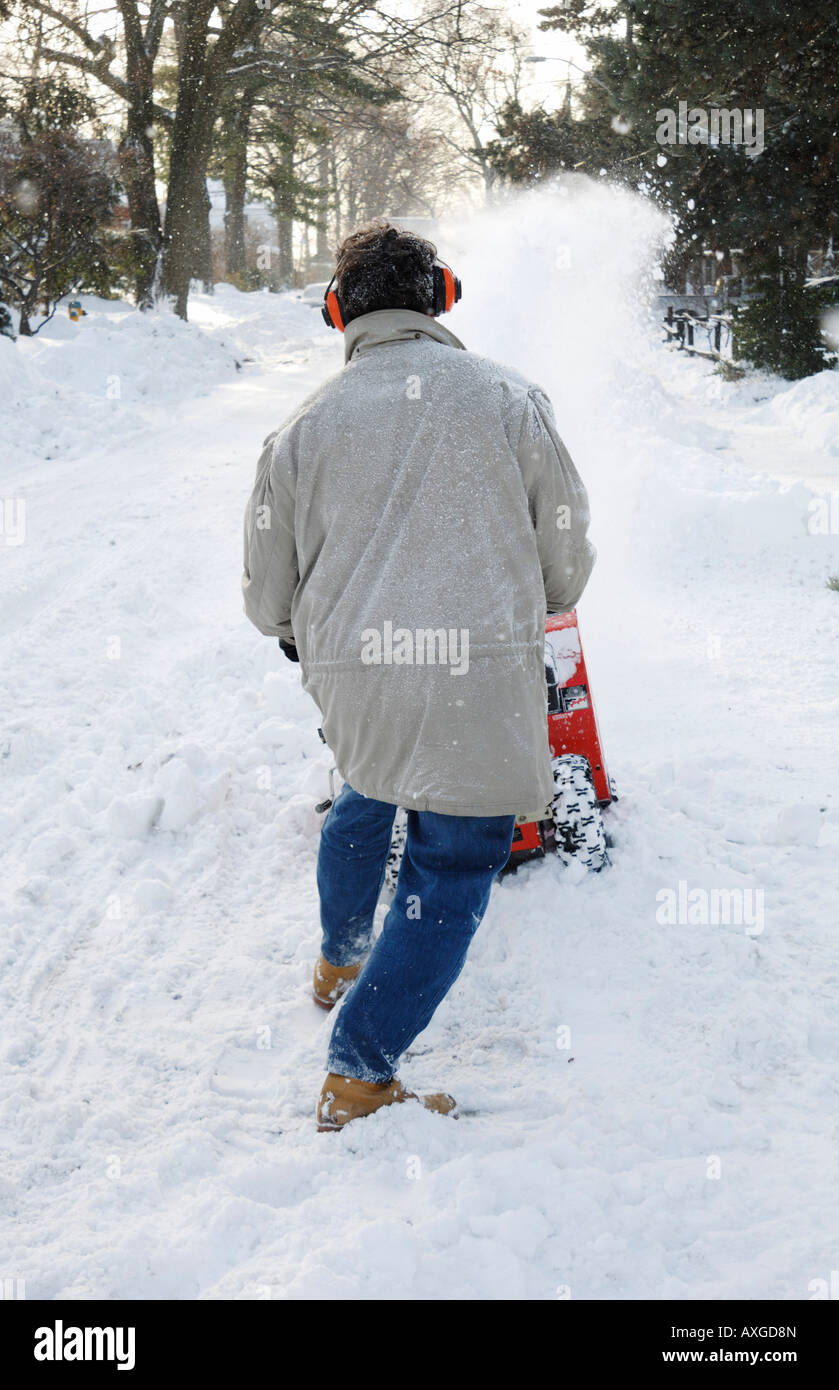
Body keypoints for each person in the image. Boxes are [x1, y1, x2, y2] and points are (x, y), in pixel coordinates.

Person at [242, 221, 595, 1131]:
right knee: (450, 865)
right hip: (478, 675)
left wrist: (307, 641)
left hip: (355, 675)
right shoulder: (510, 400)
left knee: (365, 792)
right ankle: (359, 1075)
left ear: (338, 313)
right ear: (442, 298)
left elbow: (266, 595)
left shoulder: (301, 428)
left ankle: (340, 960)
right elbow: (564, 567)